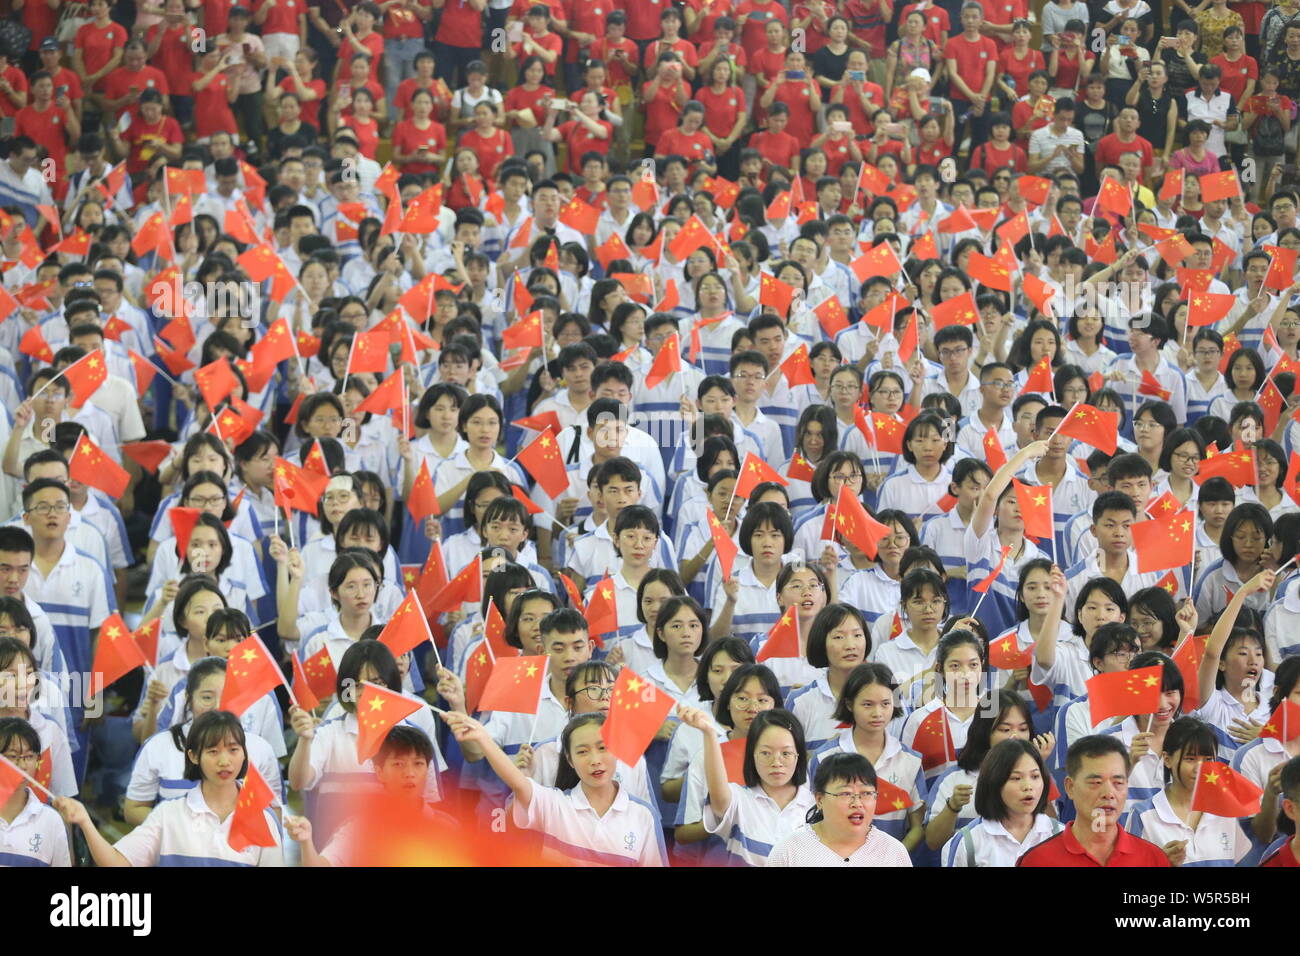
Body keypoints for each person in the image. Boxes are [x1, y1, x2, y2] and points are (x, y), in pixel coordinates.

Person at [56, 711, 285, 867]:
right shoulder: (168, 814)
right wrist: (85, 821)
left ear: (244, 754)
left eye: (233, 750)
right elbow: (116, 861)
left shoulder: (262, 820)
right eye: (213, 751)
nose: (224, 761)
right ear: (194, 756)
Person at [1016, 734, 1171, 866]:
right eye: (1096, 783)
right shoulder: (1037, 861)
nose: (1109, 793)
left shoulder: (1153, 858)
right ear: (1070, 787)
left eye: (1118, 783)